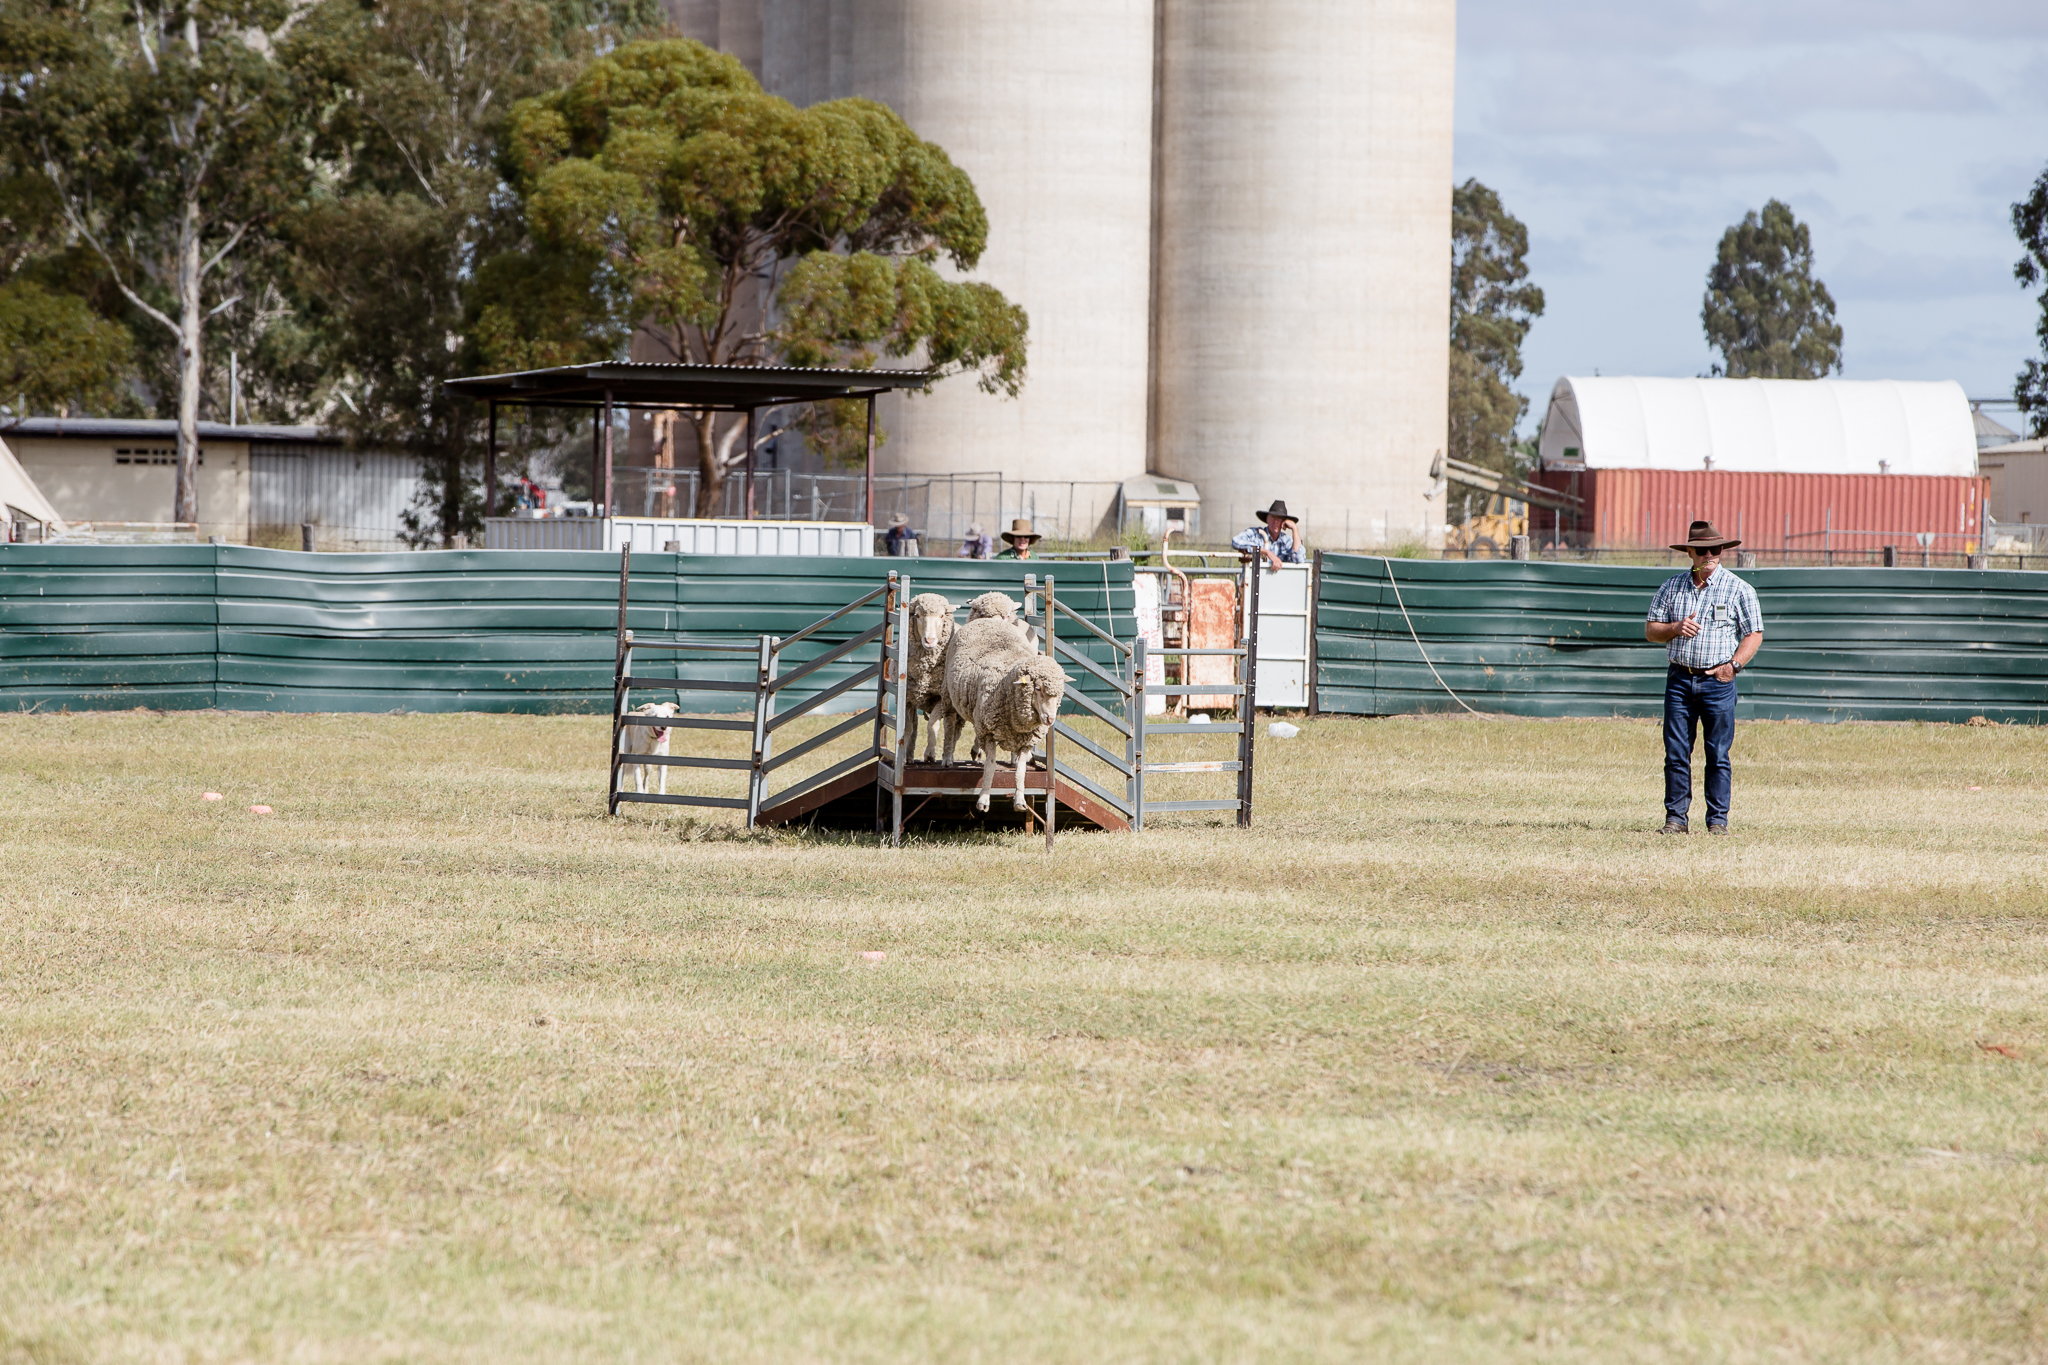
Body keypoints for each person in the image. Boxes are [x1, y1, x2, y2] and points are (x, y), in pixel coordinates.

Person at [1645, 520, 1764, 835]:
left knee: (1717, 753)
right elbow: (1651, 630)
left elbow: (1754, 634)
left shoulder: (1739, 588)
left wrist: (1734, 666)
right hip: (1680, 679)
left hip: (1718, 683)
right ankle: (1676, 819)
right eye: (1701, 550)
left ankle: (1717, 822)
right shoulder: (1671, 587)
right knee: (1676, 751)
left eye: (1715, 548)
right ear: (1689, 552)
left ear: (1723, 551)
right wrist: (1674, 628)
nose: (1708, 555)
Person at [1231, 500, 1306, 569]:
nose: (1275, 522)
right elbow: (1236, 541)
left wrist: (1294, 529)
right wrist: (1266, 552)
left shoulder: (1287, 541)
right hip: (1253, 581)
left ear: (1284, 523)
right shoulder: (1256, 534)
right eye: (1272, 517)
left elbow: (1298, 560)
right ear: (1267, 519)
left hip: (1278, 582)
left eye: (1279, 519)